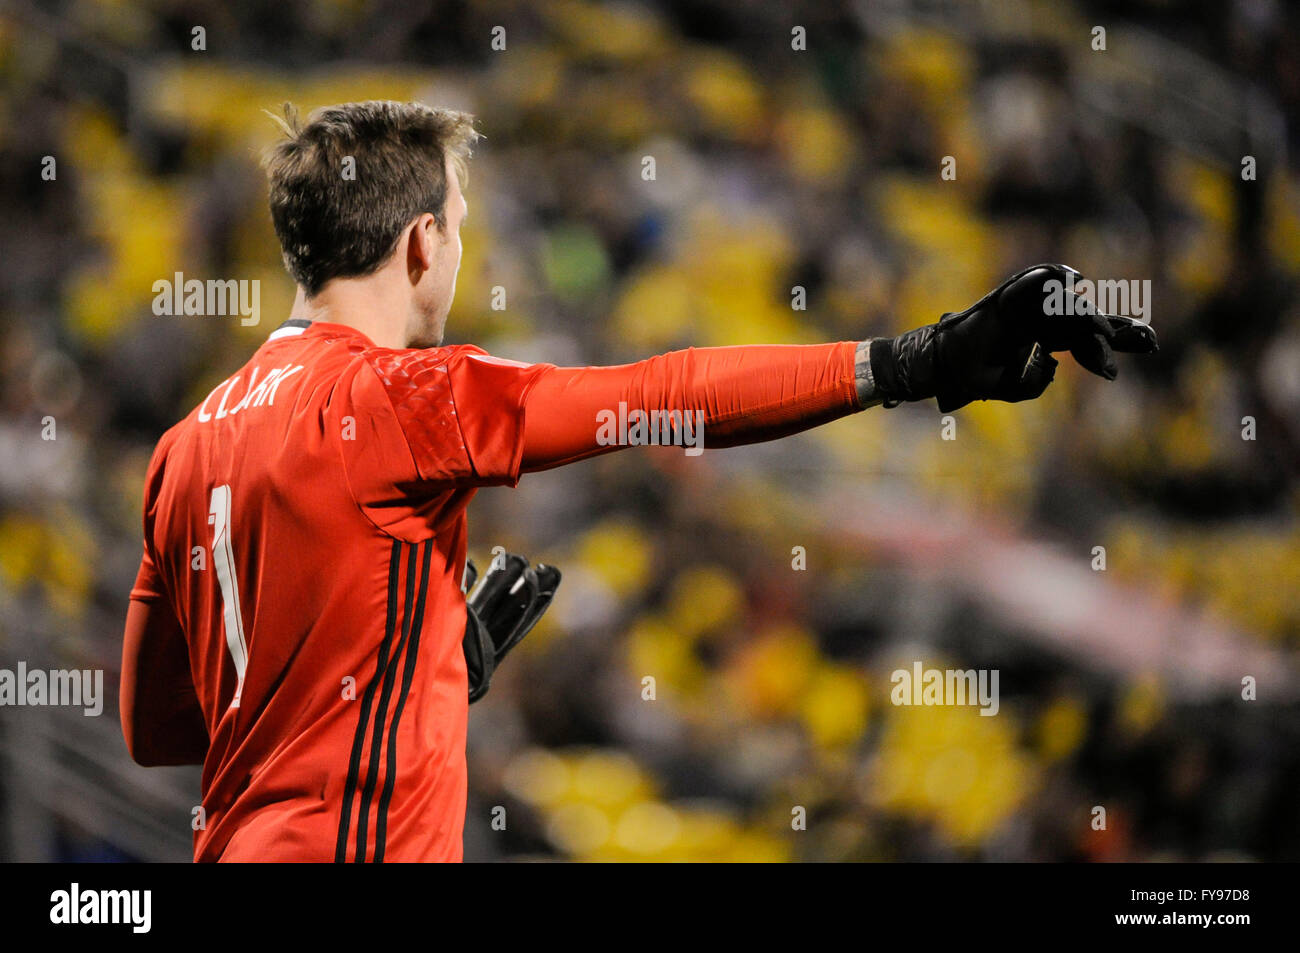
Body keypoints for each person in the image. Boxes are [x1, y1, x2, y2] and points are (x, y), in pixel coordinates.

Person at [119, 100, 1156, 863]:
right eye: (461, 222)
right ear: (422, 241)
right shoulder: (397, 397)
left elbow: (156, 725)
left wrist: (423, 663)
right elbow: (662, 393)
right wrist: (916, 359)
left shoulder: (183, 447)